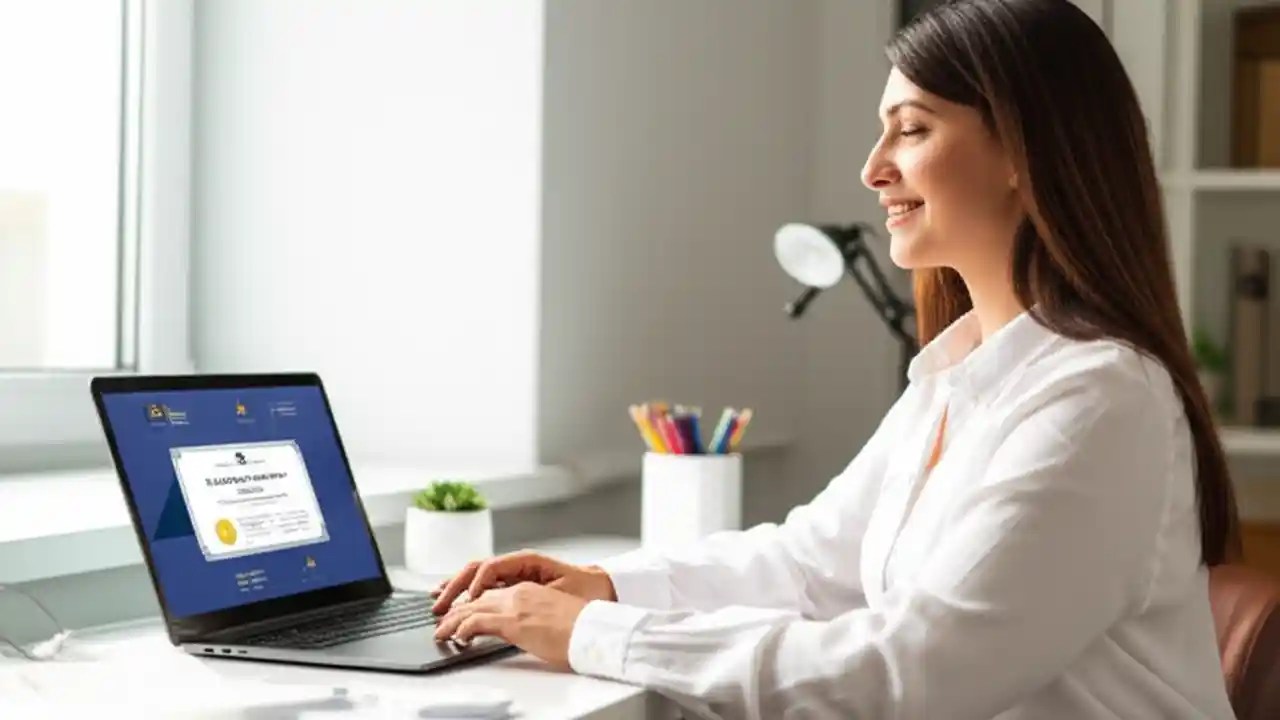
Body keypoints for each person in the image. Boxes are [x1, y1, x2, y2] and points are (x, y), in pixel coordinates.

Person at [431, 1, 1241, 717]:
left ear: (1022, 152)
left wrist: (600, 634)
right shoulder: (959, 376)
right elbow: (813, 560)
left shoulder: (1100, 399)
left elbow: (912, 676)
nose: (872, 166)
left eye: (913, 128)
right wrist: (610, 587)